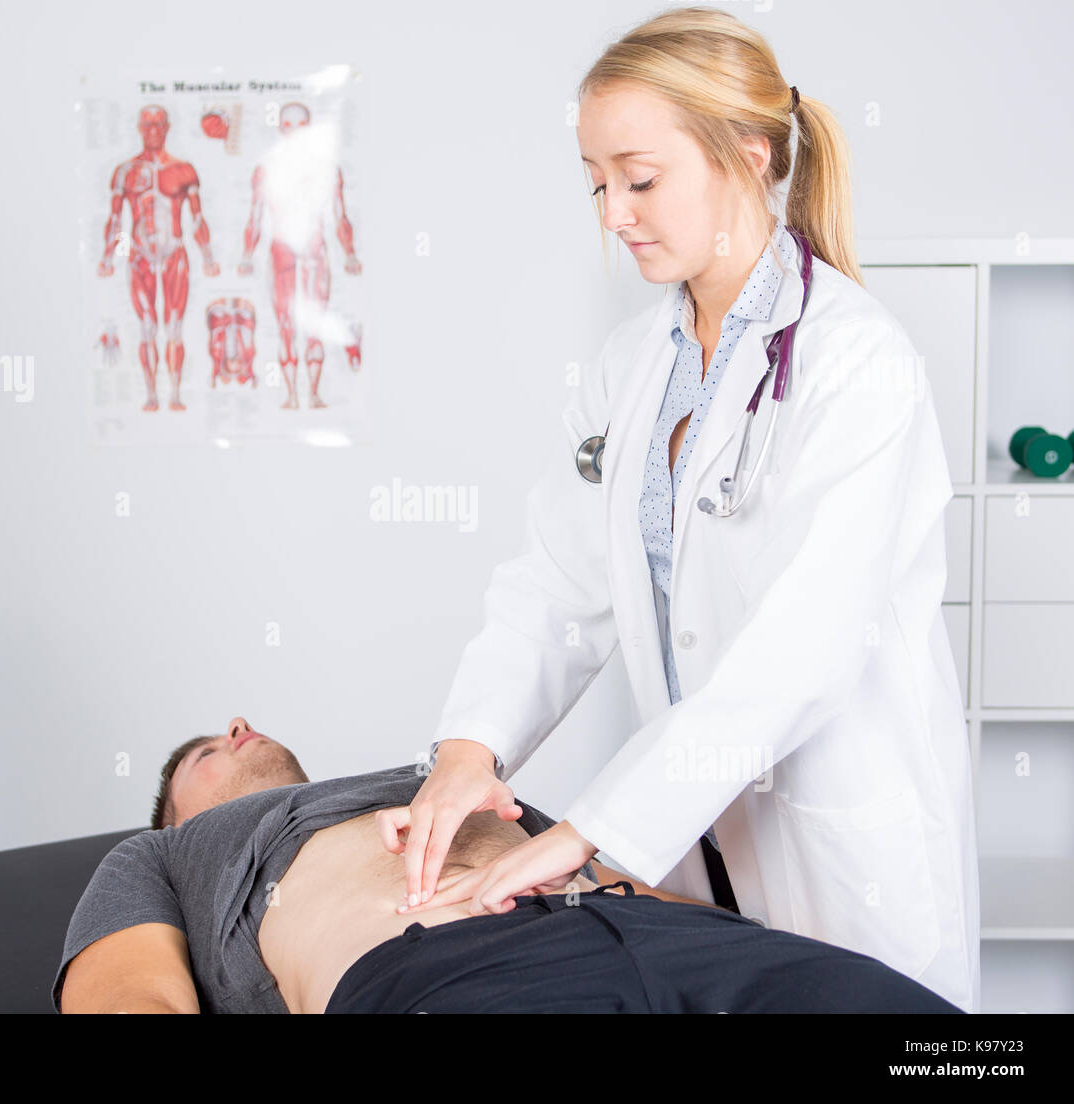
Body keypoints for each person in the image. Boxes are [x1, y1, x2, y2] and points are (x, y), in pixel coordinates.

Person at [395, 6, 979, 1013]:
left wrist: (589, 831)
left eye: (640, 178)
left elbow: (805, 645)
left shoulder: (855, 360)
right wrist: (467, 750)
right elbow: (558, 581)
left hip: (834, 839)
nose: (612, 212)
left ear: (747, 156)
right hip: (696, 838)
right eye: (595, 183)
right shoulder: (634, 366)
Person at [54, 718, 961, 1013]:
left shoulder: (437, 783)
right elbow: (129, 1003)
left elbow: (609, 859)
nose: (241, 724)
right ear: (182, 809)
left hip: (675, 936)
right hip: (449, 970)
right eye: (211, 745)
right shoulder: (162, 855)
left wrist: (715, 932)